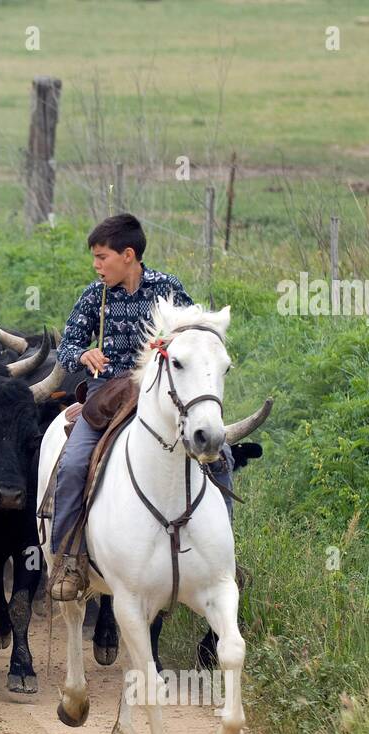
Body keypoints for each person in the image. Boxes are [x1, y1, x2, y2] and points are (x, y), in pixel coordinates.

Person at [48, 213, 234, 601]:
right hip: (108, 395)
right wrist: (84, 354)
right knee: (72, 464)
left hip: (166, 393)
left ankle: (224, 560)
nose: (96, 265)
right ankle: (69, 558)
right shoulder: (92, 297)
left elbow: (197, 339)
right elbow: (64, 351)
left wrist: (173, 349)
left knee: (222, 457)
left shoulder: (168, 290)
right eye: (95, 258)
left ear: (128, 255)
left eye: (102, 257)